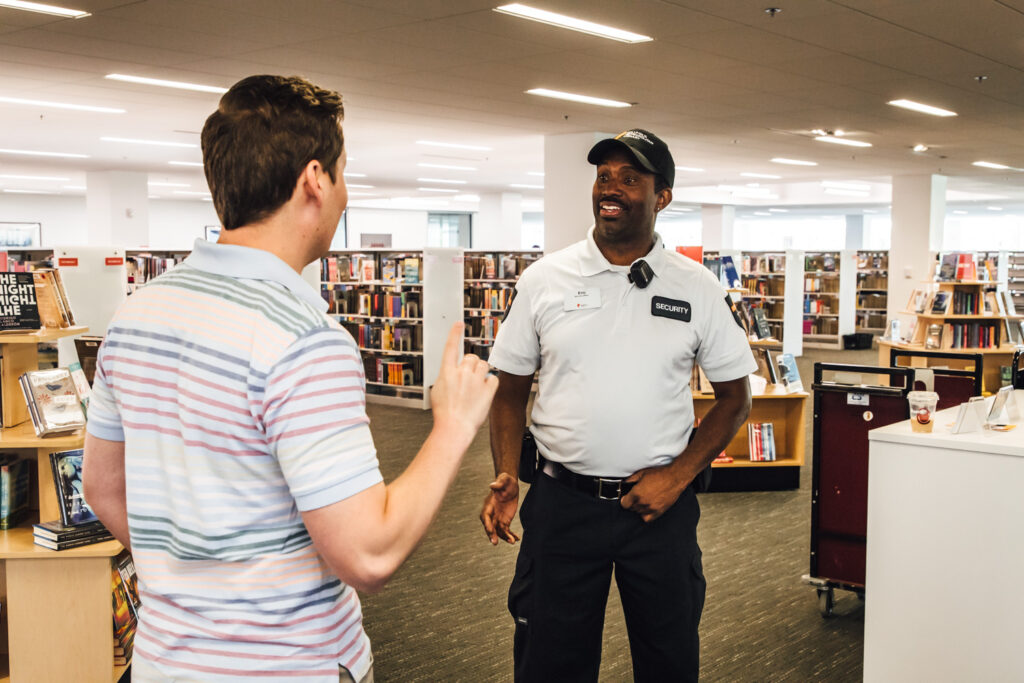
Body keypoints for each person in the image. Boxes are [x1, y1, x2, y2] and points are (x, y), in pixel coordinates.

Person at [82, 74, 498, 683]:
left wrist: (202, 578)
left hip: (164, 662)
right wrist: (452, 427)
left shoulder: (137, 312)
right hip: (285, 666)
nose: (346, 193)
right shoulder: (302, 338)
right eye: (344, 172)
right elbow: (368, 553)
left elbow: (104, 490)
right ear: (314, 180)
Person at [480, 129, 756, 682]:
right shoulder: (544, 280)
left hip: (657, 509)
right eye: (604, 176)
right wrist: (507, 471)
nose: (611, 188)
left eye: (630, 178)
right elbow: (509, 390)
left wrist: (677, 477)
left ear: (662, 196)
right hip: (561, 503)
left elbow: (735, 400)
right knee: (549, 661)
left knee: (668, 658)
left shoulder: (697, 287)